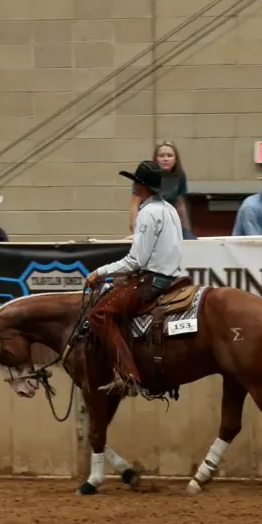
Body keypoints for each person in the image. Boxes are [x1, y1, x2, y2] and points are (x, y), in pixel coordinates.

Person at [85, 160, 184, 396]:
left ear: (142, 187)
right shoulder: (169, 209)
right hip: (174, 276)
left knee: (99, 314)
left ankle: (127, 374)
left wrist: (100, 272)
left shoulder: (147, 213)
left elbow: (135, 260)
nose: (134, 187)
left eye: (136, 183)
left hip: (153, 279)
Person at [131, 141, 196, 239]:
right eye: (161, 156)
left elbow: (181, 205)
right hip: (150, 221)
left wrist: (186, 230)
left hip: (170, 222)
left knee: (191, 241)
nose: (166, 159)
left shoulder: (179, 175)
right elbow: (134, 205)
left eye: (169, 156)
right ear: (155, 159)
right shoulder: (146, 174)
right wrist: (136, 231)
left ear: (176, 159)